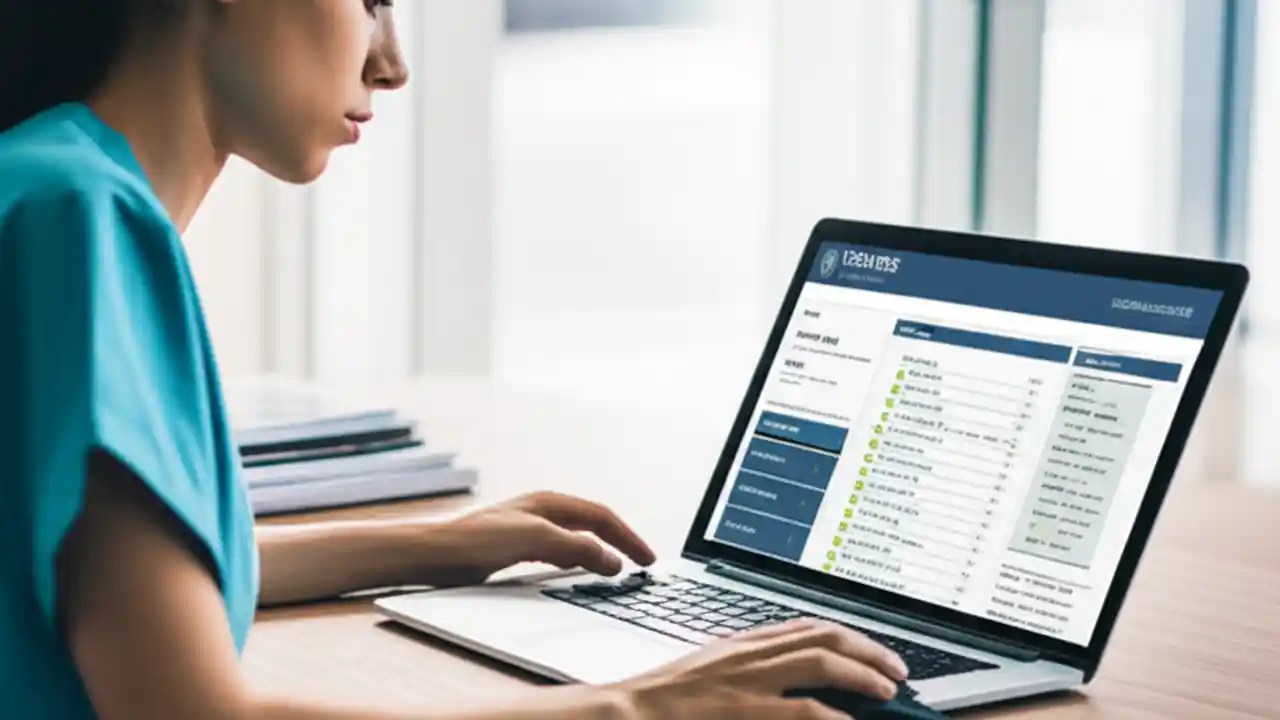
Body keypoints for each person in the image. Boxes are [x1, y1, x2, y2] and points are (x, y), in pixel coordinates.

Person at [0, 1, 909, 718]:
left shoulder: (43, 176)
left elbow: (126, 590)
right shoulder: (84, 217)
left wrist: (438, 546)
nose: (390, 64)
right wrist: (638, 706)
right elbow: (186, 712)